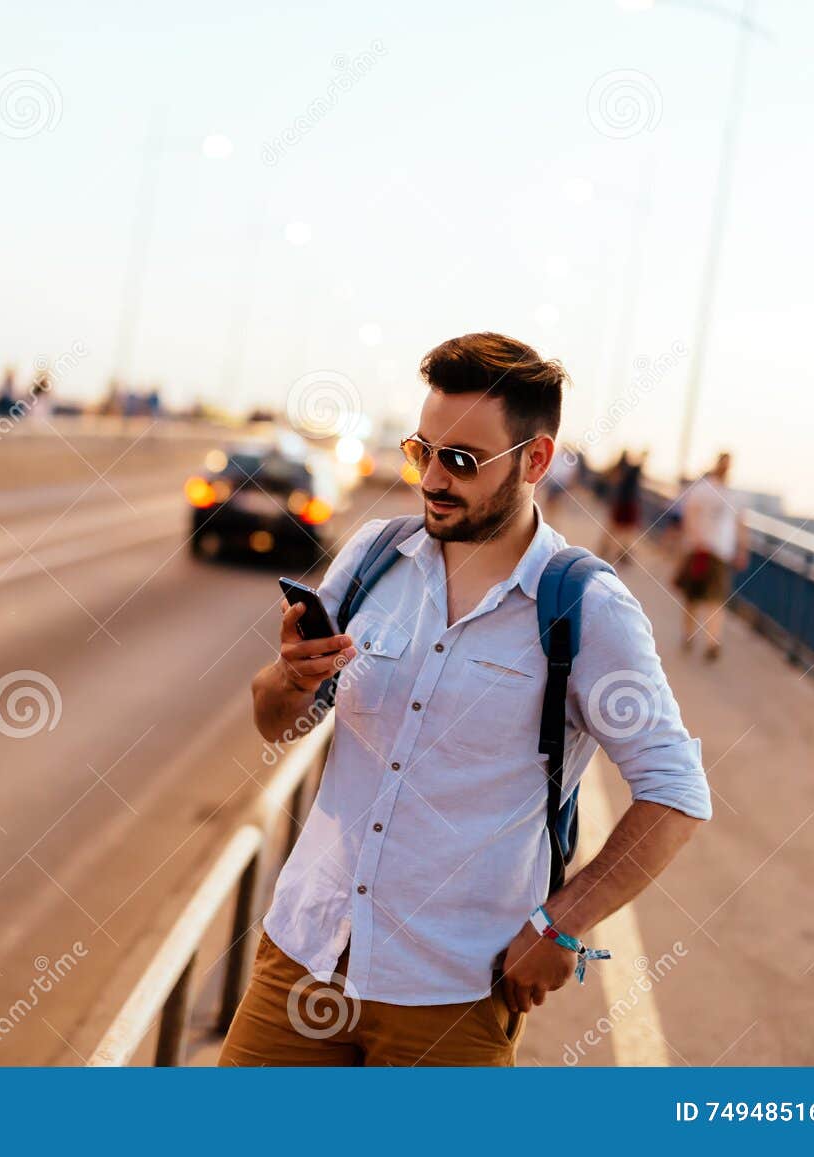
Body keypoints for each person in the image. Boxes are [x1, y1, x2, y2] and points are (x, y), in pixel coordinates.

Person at [220, 332, 710, 1067]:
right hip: (304, 955)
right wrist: (291, 677)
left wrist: (563, 923)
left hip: (452, 997)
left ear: (535, 460)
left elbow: (675, 793)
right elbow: (273, 721)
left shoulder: (585, 607)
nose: (434, 479)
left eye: (462, 461)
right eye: (423, 452)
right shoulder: (372, 558)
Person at [673, 451, 748, 661]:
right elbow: (741, 523)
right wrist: (741, 550)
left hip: (704, 550)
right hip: (712, 552)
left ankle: (697, 637)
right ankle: (710, 640)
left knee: (696, 598)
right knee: (712, 600)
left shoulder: (703, 490)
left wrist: (693, 541)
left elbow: (689, 518)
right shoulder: (725, 493)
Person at [602, 448, 646, 566]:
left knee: (614, 529)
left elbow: (612, 480)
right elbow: (639, 463)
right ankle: (621, 555)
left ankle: (607, 550)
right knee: (628, 531)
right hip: (630, 502)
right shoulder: (634, 469)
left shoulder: (620, 468)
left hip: (620, 501)